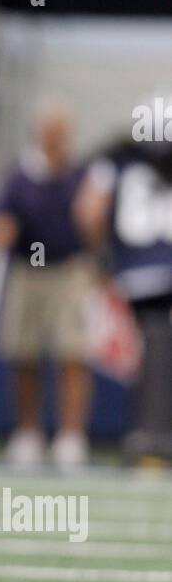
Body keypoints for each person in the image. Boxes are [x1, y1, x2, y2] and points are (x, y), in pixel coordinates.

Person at [0, 102, 93, 470]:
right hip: (27, 272)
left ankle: (71, 437)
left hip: (70, 270)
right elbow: (1, 219)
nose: (58, 139)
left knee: (72, 353)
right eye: (52, 131)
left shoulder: (79, 174)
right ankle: (28, 433)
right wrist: (1, 229)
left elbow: (88, 219)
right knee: (23, 354)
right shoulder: (19, 177)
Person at [74, 92, 172, 462]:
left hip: (134, 274)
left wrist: (102, 259)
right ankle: (153, 438)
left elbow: (88, 211)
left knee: (147, 354)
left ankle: (145, 437)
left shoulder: (116, 158)